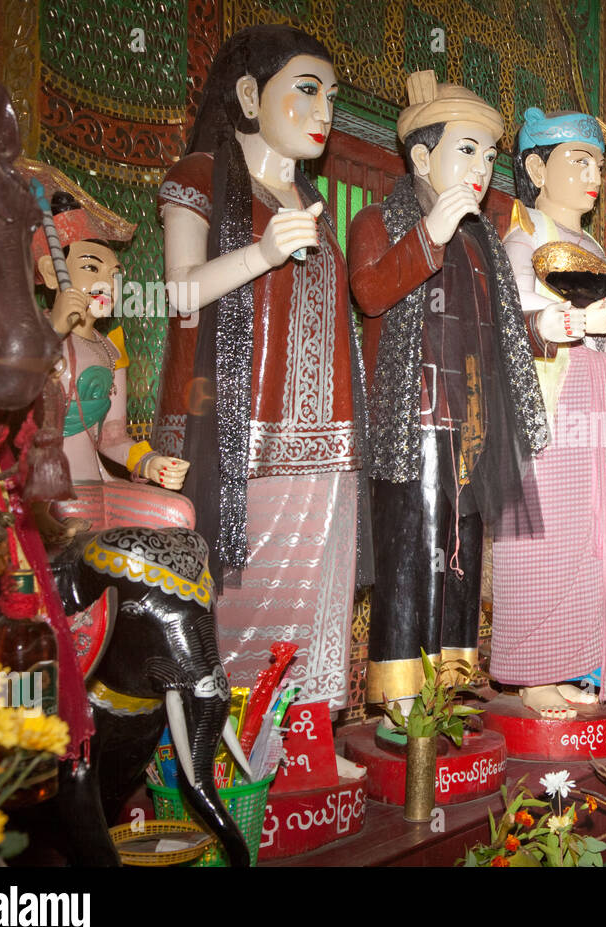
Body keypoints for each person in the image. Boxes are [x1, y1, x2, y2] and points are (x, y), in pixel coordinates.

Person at [152, 25, 373, 708]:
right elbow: (179, 290)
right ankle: (233, 744)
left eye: (331, 97)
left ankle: (304, 729)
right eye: (305, 91)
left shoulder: (312, 205)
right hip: (236, 438)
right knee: (240, 604)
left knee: (317, 596)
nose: (323, 112)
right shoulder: (197, 179)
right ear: (249, 93)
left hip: (324, 440)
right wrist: (261, 253)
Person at [348, 75, 549, 712]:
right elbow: (371, 292)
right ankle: (403, 688)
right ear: (420, 156)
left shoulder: (484, 239)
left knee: (462, 554)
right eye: (467, 151)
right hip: (410, 419)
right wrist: (428, 234)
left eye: (491, 157)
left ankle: (455, 683)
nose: (482, 169)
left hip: (475, 420)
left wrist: (553, 329)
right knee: (412, 548)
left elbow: (509, 335)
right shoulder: (378, 221)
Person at [490, 107, 606, 719]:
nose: (593, 175)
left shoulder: (592, 245)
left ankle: (584, 656)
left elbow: (603, 325)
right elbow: (516, 322)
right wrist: (583, 323)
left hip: (600, 390)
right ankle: (533, 672)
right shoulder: (521, 241)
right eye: (577, 161)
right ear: (534, 167)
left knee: (599, 529)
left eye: (598, 164)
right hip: (551, 400)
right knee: (546, 530)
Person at [32, 190, 191, 539]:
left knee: (179, 513)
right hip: (50, 490)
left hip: (99, 482)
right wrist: (55, 330)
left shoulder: (109, 348)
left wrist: (150, 462)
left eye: (115, 274)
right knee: (80, 534)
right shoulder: (30, 335)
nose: (107, 282)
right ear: (50, 270)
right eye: (90, 267)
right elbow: (10, 399)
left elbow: (111, 435)